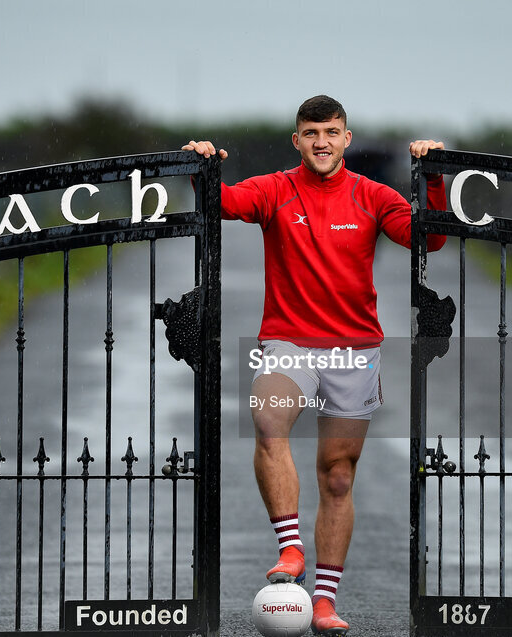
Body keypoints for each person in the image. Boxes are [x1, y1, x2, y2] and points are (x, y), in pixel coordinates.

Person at [183, 95, 446, 636]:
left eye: (331, 132)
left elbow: (430, 238)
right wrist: (202, 166)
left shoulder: (373, 195)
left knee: (339, 477)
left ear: (346, 138)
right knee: (266, 419)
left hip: (354, 350)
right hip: (289, 342)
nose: (321, 142)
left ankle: (323, 603)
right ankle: (290, 551)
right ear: (296, 140)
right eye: (311, 132)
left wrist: (435, 178)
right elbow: (221, 204)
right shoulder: (275, 190)